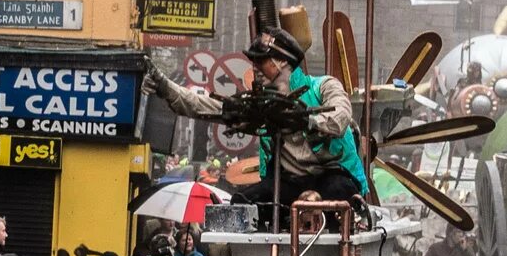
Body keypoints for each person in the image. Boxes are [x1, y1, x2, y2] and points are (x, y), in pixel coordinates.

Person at [150, 26, 369, 221]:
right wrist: (164, 87)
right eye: (253, 62)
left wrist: (307, 120)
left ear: (282, 61)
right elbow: (208, 106)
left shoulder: (323, 86)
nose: (255, 68)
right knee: (242, 201)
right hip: (289, 184)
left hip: (334, 178)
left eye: (261, 61)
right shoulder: (261, 104)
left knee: (337, 193)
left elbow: (340, 116)